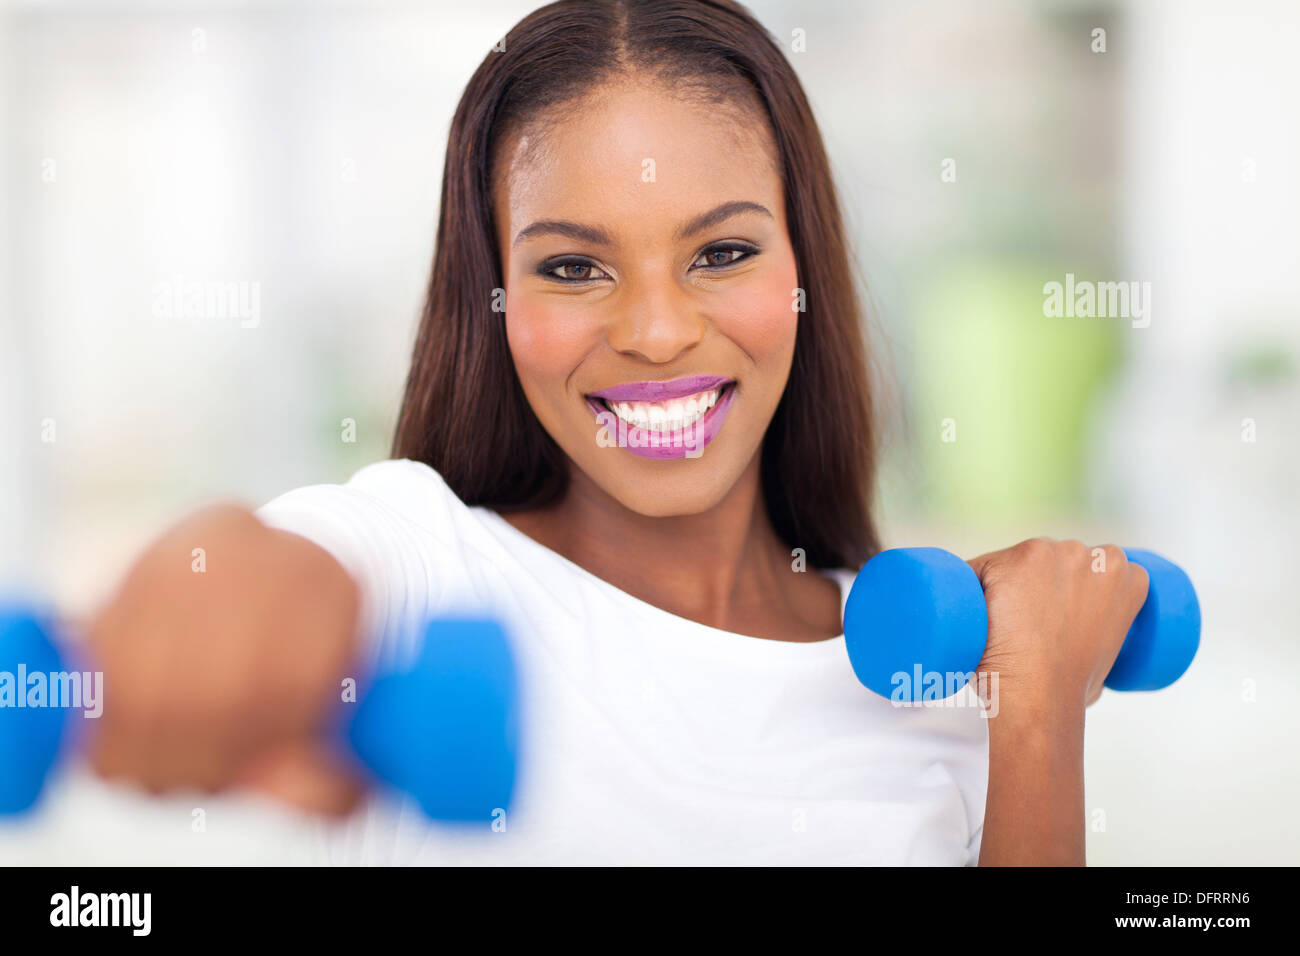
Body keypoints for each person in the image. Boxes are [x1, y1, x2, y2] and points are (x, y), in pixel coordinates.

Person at [82, 0, 1149, 865]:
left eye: (721, 253)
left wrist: (1038, 709)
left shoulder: (940, 696)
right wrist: (214, 576)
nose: (654, 332)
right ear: (491, 295)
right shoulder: (422, 566)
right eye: (573, 266)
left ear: (801, 272)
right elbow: (292, 562)